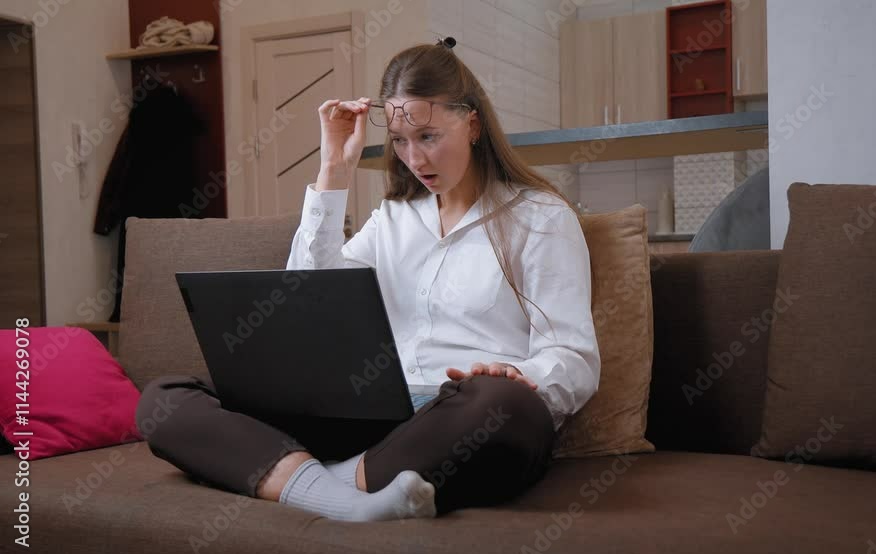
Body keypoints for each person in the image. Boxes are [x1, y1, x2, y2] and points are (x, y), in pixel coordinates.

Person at [135, 38, 600, 522]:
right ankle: (349, 496)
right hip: (370, 417)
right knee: (165, 398)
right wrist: (334, 168)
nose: (414, 159)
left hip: (461, 417)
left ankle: (303, 480)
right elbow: (305, 301)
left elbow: (574, 358)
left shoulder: (540, 217)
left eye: (428, 136)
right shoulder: (392, 221)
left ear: (473, 124)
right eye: (399, 141)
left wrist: (524, 378)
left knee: (505, 406)